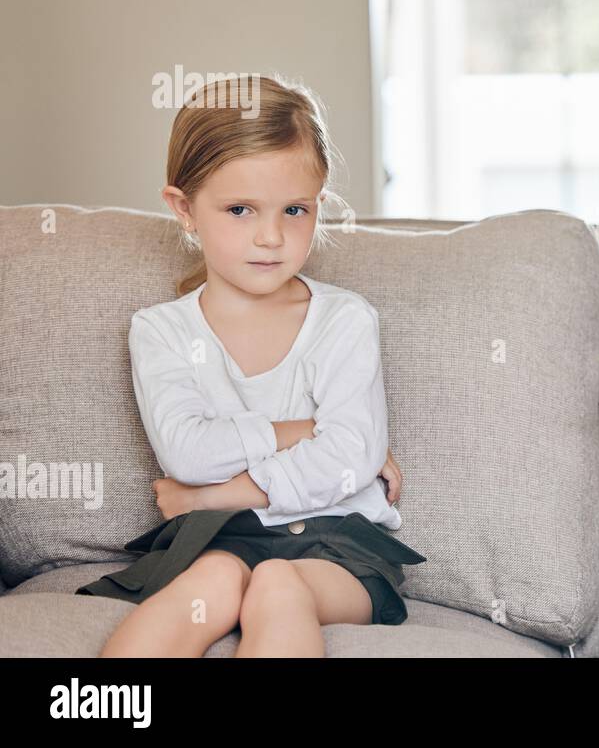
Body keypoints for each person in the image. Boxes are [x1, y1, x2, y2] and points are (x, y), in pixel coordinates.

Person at [76, 74, 426, 657]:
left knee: (278, 582)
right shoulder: (161, 331)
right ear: (184, 209)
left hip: (338, 543)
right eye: (240, 209)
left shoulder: (345, 320)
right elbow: (188, 452)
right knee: (213, 584)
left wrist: (212, 494)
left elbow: (350, 460)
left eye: (295, 209)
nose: (271, 237)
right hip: (219, 539)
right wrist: (307, 430)